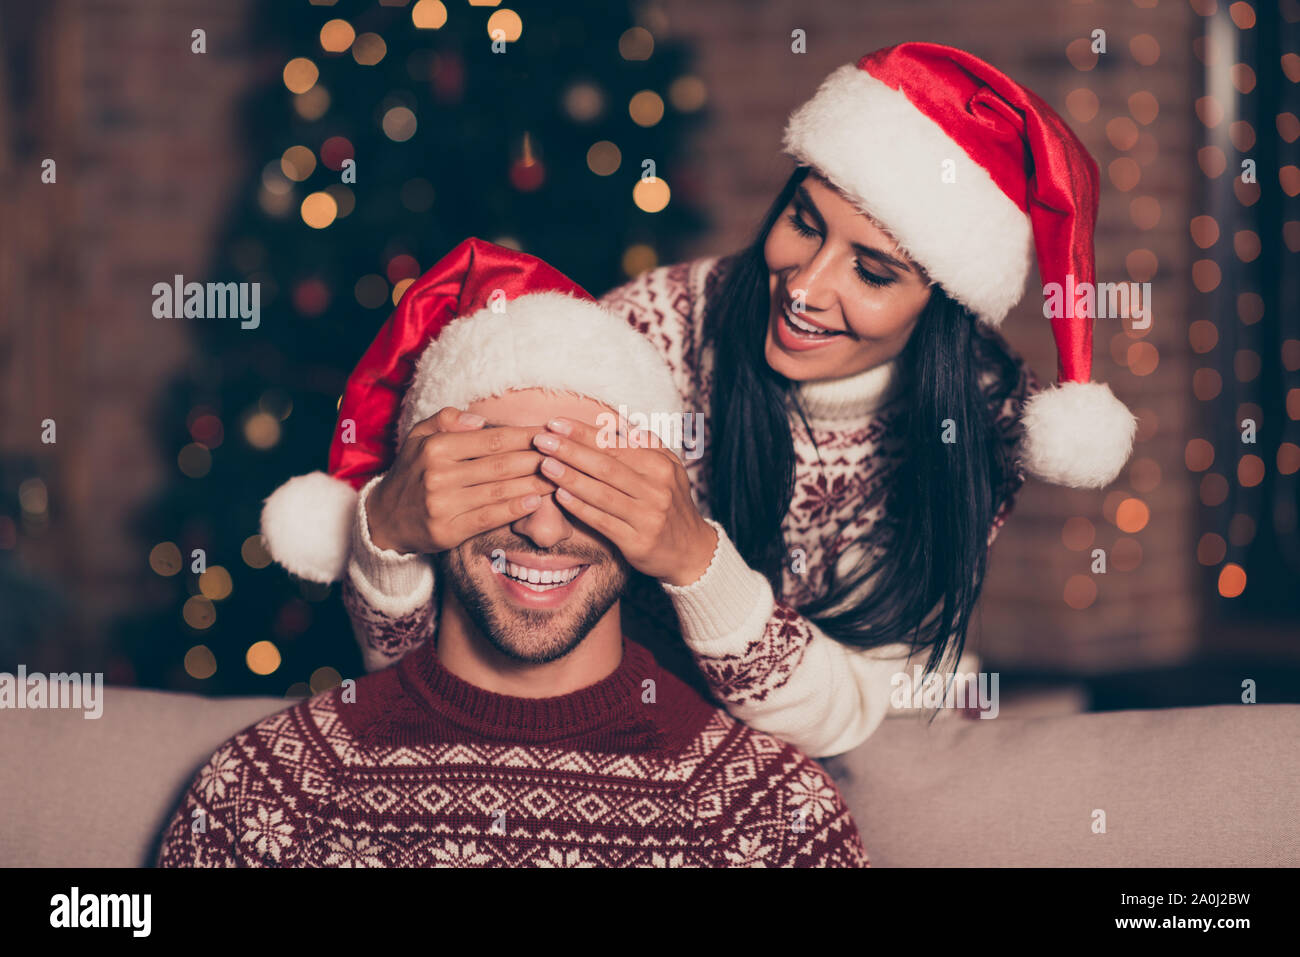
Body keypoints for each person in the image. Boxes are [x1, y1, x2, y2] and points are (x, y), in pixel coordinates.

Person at [277, 44, 1140, 759]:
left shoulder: (982, 417)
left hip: (872, 741)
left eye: (872, 271)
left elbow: (861, 706)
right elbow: (446, 666)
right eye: (805, 221)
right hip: (640, 742)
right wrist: (385, 538)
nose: (805, 286)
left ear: (945, 306)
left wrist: (694, 560)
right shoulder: (646, 333)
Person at [164, 247, 868, 868]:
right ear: (426, 493)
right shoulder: (262, 797)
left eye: (587, 477)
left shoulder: (776, 820)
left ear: (655, 503)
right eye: (495, 474)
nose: (541, 524)